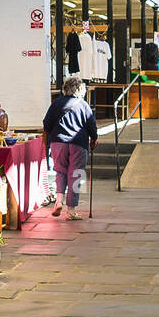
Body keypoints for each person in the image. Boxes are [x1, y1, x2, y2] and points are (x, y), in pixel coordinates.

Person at [42, 75, 98, 221]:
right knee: (76, 175)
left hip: (58, 143)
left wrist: (54, 135)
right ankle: (71, 210)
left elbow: (46, 124)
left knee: (60, 172)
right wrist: (94, 138)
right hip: (78, 144)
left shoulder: (56, 104)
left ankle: (59, 201)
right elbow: (92, 125)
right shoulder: (83, 105)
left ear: (65, 89)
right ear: (80, 89)